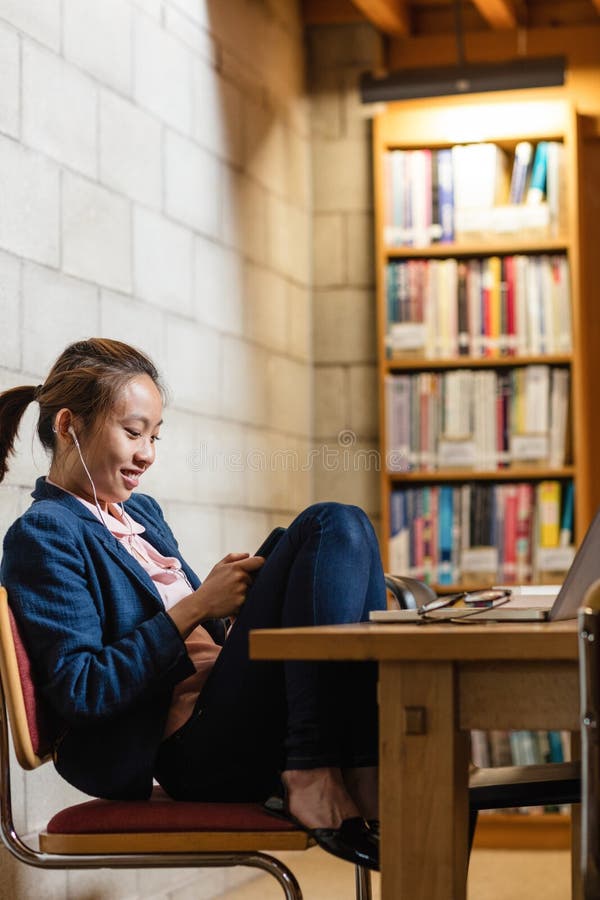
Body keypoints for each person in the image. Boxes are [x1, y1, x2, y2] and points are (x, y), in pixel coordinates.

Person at [0, 338, 386, 871]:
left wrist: (231, 603)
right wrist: (197, 606)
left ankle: (361, 768)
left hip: (230, 703)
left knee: (350, 528)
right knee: (329, 522)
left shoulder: (144, 515)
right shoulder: (45, 534)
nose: (147, 455)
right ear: (69, 425)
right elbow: (83, 691)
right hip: (196, 749)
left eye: (154, 437)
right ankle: (315, 769)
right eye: (133, 433)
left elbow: (193, 630)